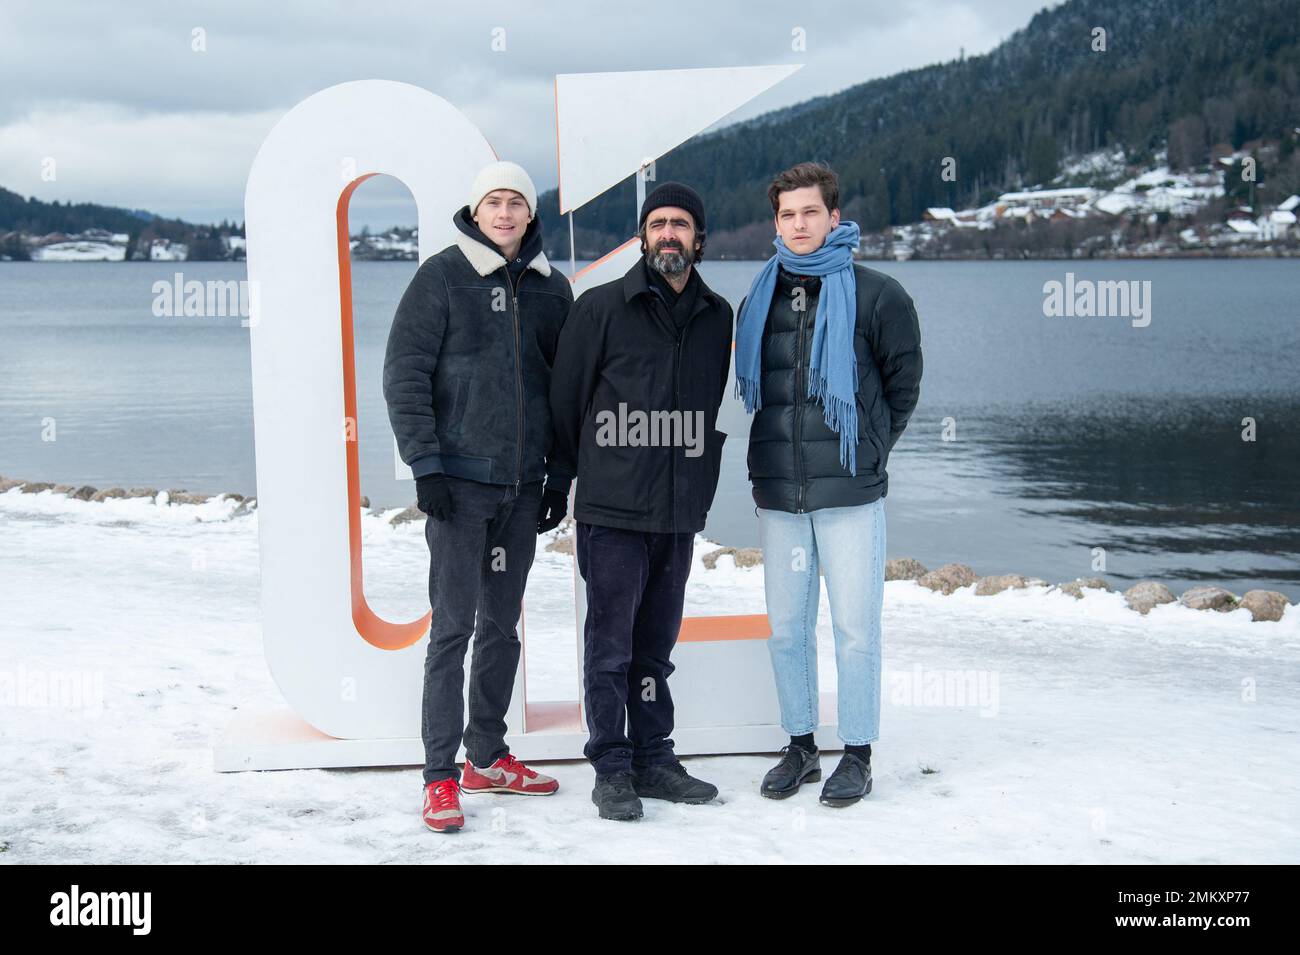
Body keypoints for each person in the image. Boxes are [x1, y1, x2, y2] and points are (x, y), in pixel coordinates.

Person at [383, 160, 574, 833]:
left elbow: (566, 393)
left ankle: (486, 754)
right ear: (477, 210)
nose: (504, 213)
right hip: (459, 489)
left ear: (529, 214)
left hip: (522, 490)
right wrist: (425, 464)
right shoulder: (442, 276)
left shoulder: (554, 290)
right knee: (453, 627)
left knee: (502, 626)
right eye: (493, 201)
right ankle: (439, 776)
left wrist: (560, 474)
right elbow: (404, 372)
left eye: (515, 202)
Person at [734, 161, 923, 807]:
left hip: (850, 493)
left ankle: (860, 753)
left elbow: (903, 385)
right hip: (781, 493)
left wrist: (867, 449)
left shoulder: (877, 294)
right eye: (787, 214)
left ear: (834, 217)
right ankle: (801, 746)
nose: (799, 224)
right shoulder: (757, 297)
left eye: (810, 212)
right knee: (787, 628)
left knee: (855, 628)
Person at [549, 182, 733, 821]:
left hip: (678, 513)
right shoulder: (600, 307)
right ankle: (612, 766)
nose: (668, 235)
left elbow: (709, 406)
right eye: (657, 224)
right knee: (611, 645)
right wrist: (562, 480)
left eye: (680, 224)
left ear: (698, 238)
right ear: (642, 237)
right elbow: (567, 403)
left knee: (656, 646)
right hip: (613, 512)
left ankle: (655, 757)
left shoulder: (718, 316)